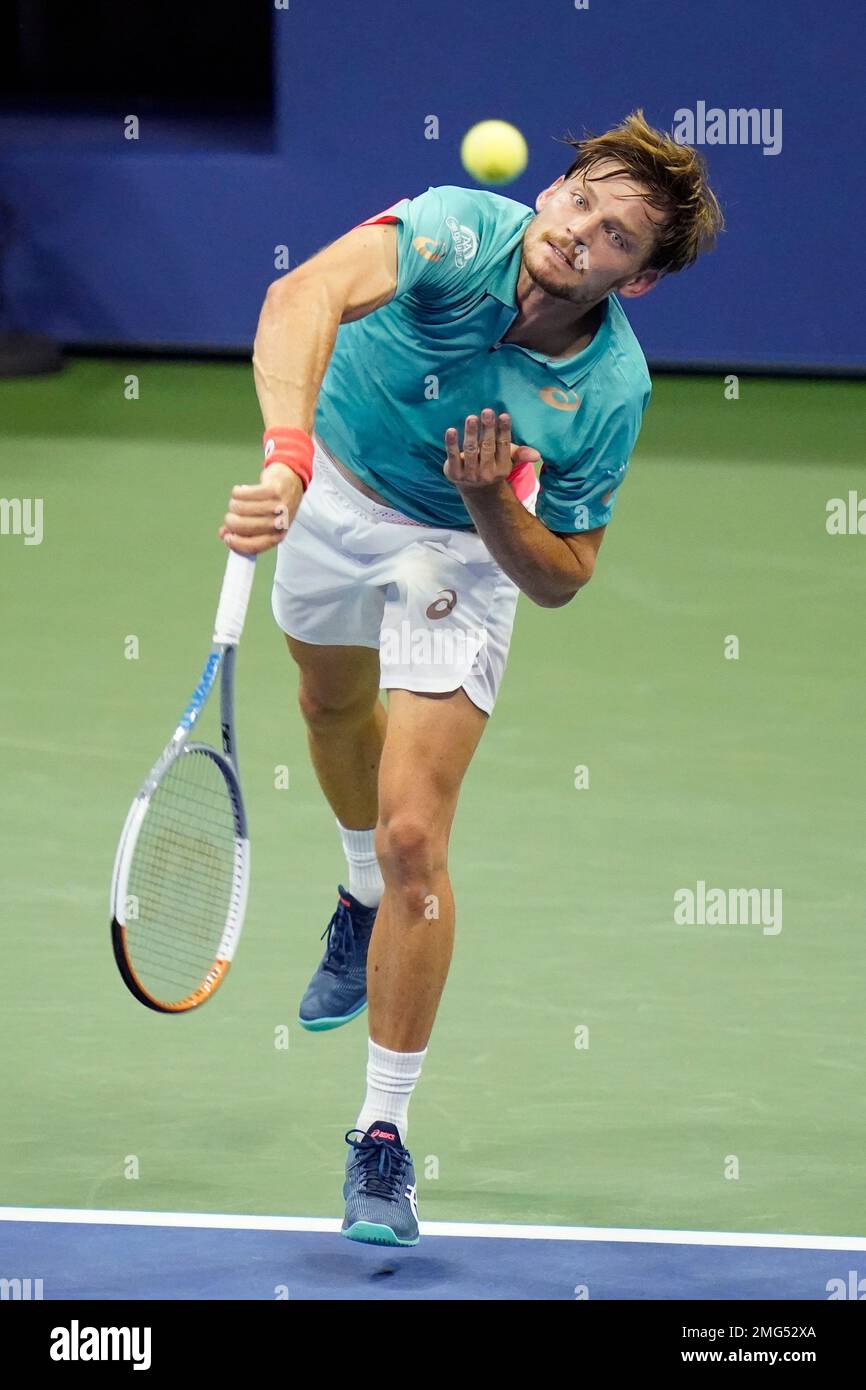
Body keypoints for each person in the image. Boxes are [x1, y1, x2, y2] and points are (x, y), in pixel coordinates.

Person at [219, 109, 723, 1247]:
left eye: (617, 237)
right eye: (580, 199)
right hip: (332, 491)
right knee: (326, 703)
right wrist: (286, 459)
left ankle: (382, 1136)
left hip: (459, 552)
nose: (581, 233)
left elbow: (561, 579)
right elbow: (299, 298)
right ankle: (352, 899)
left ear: (632, 283)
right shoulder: (452, 232)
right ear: (548, 192)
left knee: (415, 839)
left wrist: (495, 501)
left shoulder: (604, 392)